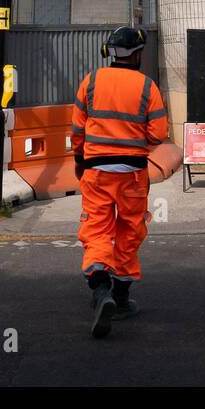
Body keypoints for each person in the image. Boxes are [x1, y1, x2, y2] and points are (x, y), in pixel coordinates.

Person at [71, 26, 168, 339]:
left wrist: (79, 160)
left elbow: (77, 129)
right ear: (138, 54)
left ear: (108, 52)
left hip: (96, 171)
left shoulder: (91, 81)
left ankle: (101, 291)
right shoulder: (147, 87)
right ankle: (122, 298)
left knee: (97, 229)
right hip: (132, 174)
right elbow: (157, 134)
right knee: (129, 230)